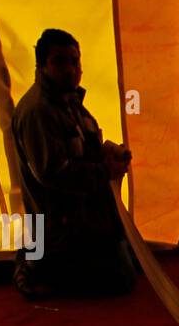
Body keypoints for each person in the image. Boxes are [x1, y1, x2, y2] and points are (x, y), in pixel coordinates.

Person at [10, 28, 137, 298]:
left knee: (130, 265)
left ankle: (41, 259)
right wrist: (105, 171)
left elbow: (80, 152)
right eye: (59, 61)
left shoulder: (70, 101)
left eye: (74, 61)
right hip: (62, 230)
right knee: (121, 279)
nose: (70, 69)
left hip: (82, 221)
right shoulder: (37, 111)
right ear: (42, 66)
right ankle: (38, 263)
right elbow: (53, 174)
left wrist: (108, 152)